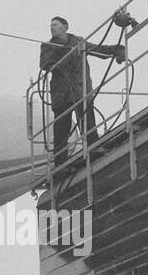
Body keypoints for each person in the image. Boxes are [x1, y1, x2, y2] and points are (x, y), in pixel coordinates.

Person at [40, 15, 123, 164]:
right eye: (51, 25)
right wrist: (68, 53)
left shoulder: (79, 42)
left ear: (65, 27)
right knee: (61, 130)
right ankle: (60, 162)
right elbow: (47, 64)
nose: (51, 27)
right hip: (61, 94)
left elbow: (99, 50)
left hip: (80, 90)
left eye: (55, 25)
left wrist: (117, 50)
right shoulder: (48, 46)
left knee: (88, 124)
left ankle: (94, 150)